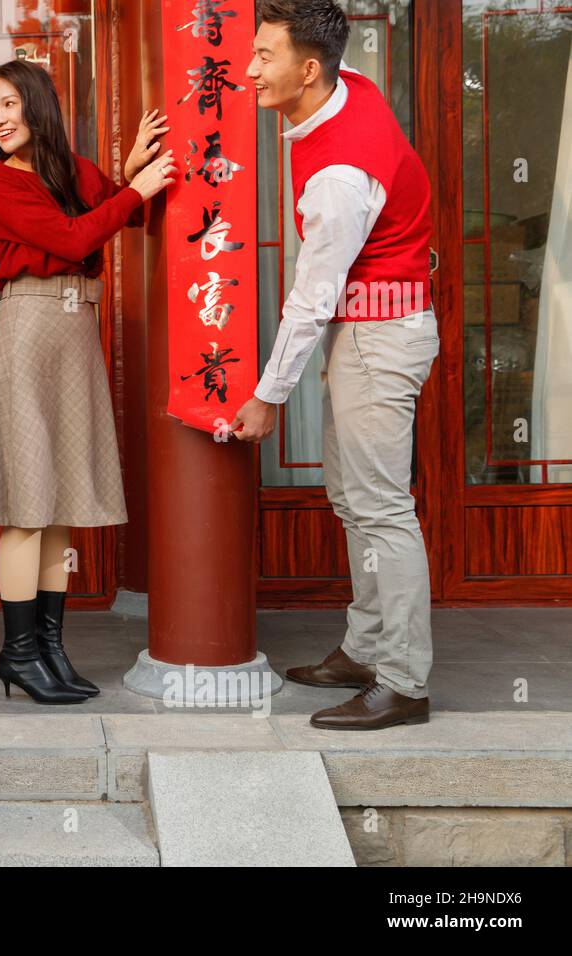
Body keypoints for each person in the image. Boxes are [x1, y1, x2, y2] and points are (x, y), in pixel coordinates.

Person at [233, 0, 438, 730]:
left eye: (265, 56)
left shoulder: (339, 180)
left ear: (308, 70)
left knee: (382, 510)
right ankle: (365, 647)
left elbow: (313, 296)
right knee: (355, 502)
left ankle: (404, 681)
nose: (250, 69)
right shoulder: (351, 83)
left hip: (379, 336)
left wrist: (267, 396)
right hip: (368, 331)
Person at [0, 59, 174, 704]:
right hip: (29, 326)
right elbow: (75, 232)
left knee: (60, 507)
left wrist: (132, 170)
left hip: (76, 326)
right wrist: (134, 188)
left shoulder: (69, 169)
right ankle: (18, 653)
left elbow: (125, 213)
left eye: (8, 104)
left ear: (37, 104)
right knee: (28, 505)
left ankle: (51, 648)